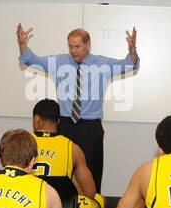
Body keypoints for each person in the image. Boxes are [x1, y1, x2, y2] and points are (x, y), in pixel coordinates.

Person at [16, 24, 139, 193]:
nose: (73, 51)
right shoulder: (59, 62)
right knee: (60, 173)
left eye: (77, 46)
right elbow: (31, 60)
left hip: (90, 127)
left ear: (88, 45)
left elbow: (129, 65)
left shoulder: (102, 64)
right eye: (70, 46)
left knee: (92, 175)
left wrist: (132, 50)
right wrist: (22, 44)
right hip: (65, 125)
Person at [30, 99, 103, 208]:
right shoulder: (72, 148)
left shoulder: (22, 142)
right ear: (58, 121)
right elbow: (90, 191)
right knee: (100, 200)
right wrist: (71, 191)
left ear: (37, 120)